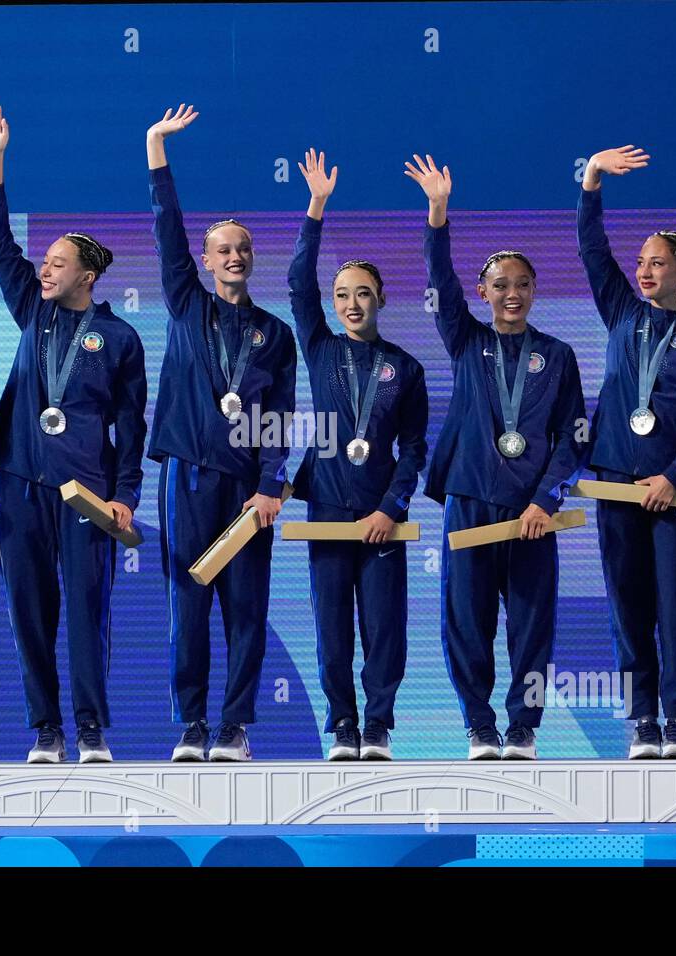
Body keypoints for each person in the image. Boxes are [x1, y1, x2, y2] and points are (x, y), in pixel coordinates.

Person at [0, 106, 148, 763]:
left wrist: (125, 493)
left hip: (87, 492)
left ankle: (92, 730)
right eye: (43, 261)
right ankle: (46, 730)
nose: (44, 270)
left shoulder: (121, 339)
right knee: (29, 611)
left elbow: (131, 425)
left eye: (57, 262)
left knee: (86, 613)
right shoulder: (32, 310)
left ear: (88, 274)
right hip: (22, 482)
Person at [406, 154, 587, 760]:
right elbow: (441, 283)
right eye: (500, 285)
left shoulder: (558, 356)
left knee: (533, 627)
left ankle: (524, 729)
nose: (512, 293)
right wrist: (438, 213)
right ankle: (479, 727)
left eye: (523, 284)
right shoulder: (466, 341)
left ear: (535, 291)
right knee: (468, 621)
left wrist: (546, 497)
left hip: (533, 514)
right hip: (470, 500)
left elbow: (573, 437)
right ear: (483, 293)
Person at [577, 144, 676, 759]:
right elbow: (593, 248)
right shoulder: (621, 313)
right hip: (617, 485)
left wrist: (674, 474)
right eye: (641, 261)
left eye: (658, 263)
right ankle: (641, 720)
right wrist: (592, 178)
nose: (644, 271)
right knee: (628, 609)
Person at [146, 105, 297, 761]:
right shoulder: (186, 304)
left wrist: (270, 485)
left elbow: (280, 417)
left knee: (245, 606)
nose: (233, 256)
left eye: (242, 248)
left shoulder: (276, 335)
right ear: (205, 263)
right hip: (186, 472)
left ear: (251, 259)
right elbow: (165, 228)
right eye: (222, 250)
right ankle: (192, 725)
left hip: (245, 486)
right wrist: (156, 147)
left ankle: (234, 727)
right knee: (189, 597)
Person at [289, 149, 429, 760]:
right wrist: (316, 206)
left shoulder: (406, 367)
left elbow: (415, 447)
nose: (350, 303)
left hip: (379, 518)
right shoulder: (319, 347)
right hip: (325, 511)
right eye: (342, 294)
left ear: (380, 299)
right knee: (332, 633)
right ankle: (342, 726)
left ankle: (378, 727)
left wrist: (391, 508)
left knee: (384, 631)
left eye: (362, 294)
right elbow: (299, 282)